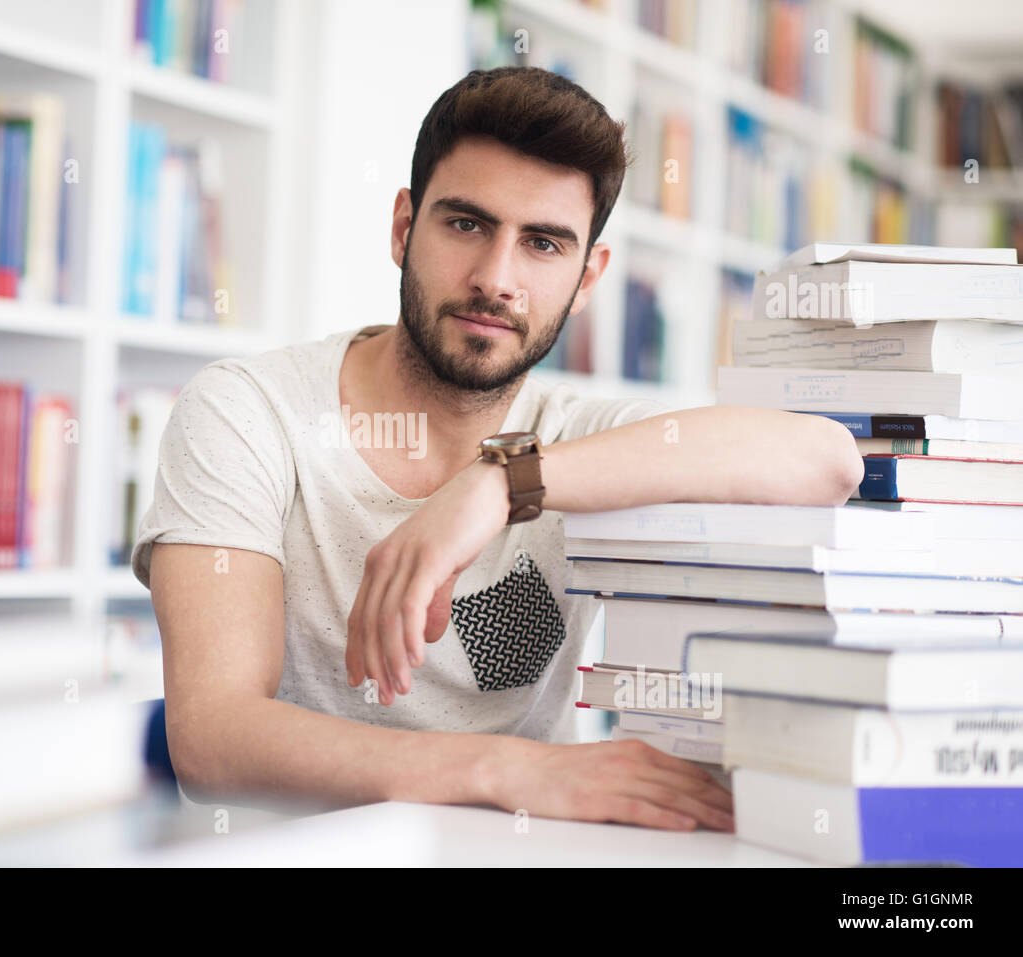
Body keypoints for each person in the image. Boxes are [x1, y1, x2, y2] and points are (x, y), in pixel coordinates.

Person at [132, 67, 863, 831]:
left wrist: (499, 484)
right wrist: (502, 767)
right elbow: (212, 738)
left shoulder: (583, 442)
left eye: (543, 244)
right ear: (402, 228)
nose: (496, 279)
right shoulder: (250, 412)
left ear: (587, 278)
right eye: (466, 224)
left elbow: (828, 460)